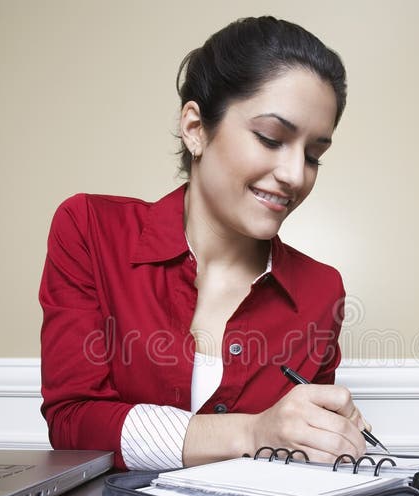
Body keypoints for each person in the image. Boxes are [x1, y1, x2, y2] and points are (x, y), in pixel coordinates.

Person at [39, 16, 370, 471]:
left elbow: (298, 468)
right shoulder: (89, 229)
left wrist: (327, 434)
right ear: (195, 127)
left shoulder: (322, 290)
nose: (296, 175)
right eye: (271, 138)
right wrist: (253, 432)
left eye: (313, 155)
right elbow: (73, 423)